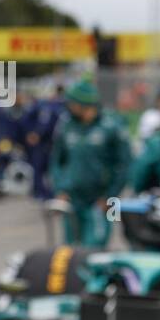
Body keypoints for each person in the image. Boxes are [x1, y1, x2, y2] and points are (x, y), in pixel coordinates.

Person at [52, 76, 130, 246]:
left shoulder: (111, 126)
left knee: (97, 250)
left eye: (73, 103)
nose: (70, 107)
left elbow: (124, 165)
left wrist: (110, 197)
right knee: (70, 252)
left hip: (102, 200)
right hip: (72, 199)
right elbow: (57, 161)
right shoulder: (66, 125)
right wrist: (60, 189)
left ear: (84, 104)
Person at [21, 87, 62, 200]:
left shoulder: (55, 106)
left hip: (51, 143)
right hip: (41, 144)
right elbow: (26, 121)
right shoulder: (41, 106)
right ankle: (40, 193)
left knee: (49, 169)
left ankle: (48, 193)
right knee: (39, 169)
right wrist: (32, 134)